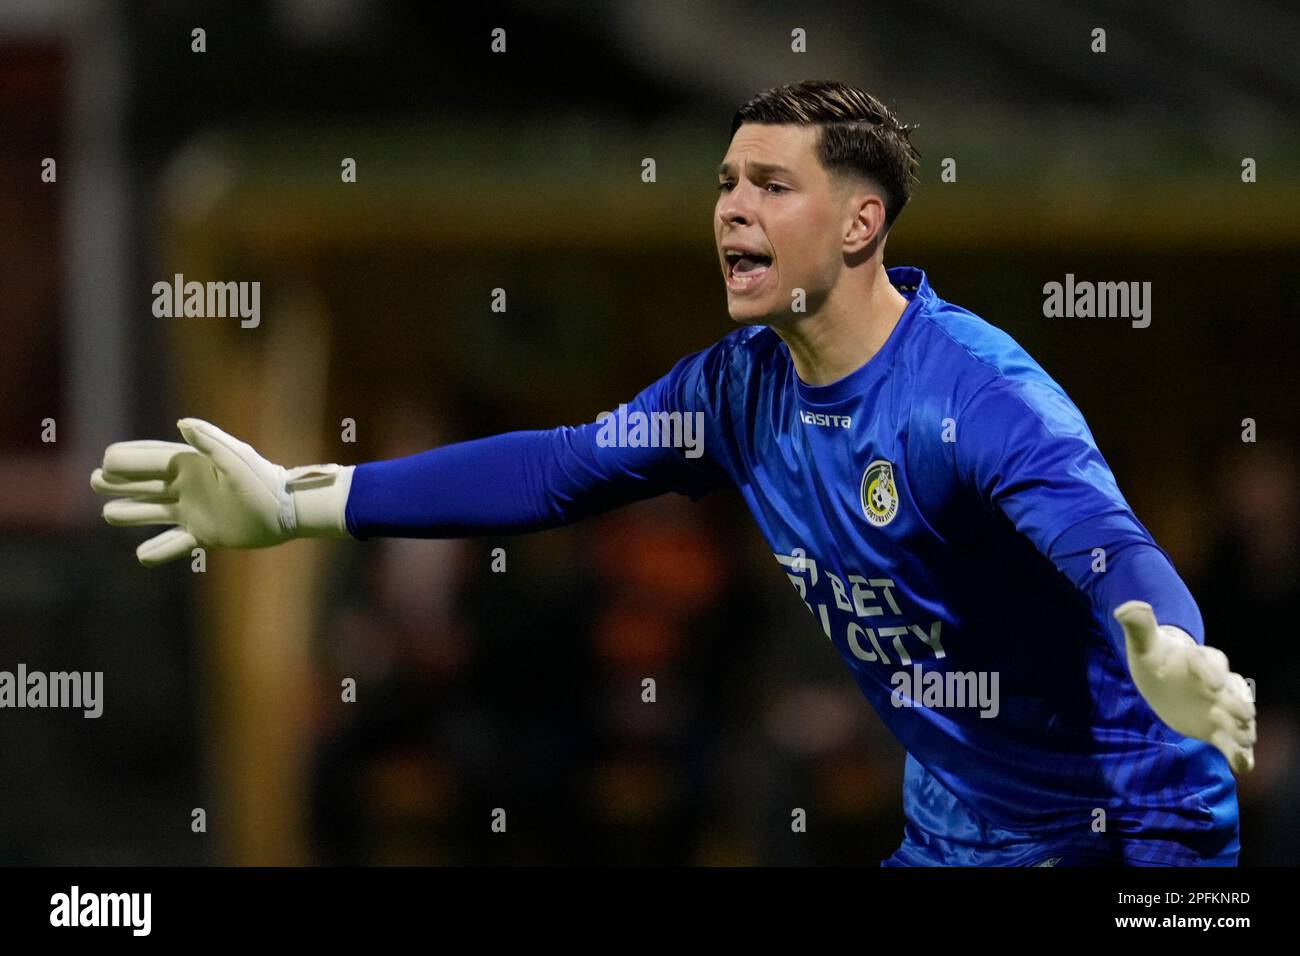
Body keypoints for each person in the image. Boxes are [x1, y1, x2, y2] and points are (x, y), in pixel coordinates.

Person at [91, 79, 1255, 866]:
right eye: (724, 184)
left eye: (768, 185)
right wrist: (300, 500)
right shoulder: (733, 391)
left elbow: (1109, 544)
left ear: (859, 225)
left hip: (1129, 827)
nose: (731, 210)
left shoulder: (974, 398)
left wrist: (1172, 647)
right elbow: (556, 469)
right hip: (958, 826)